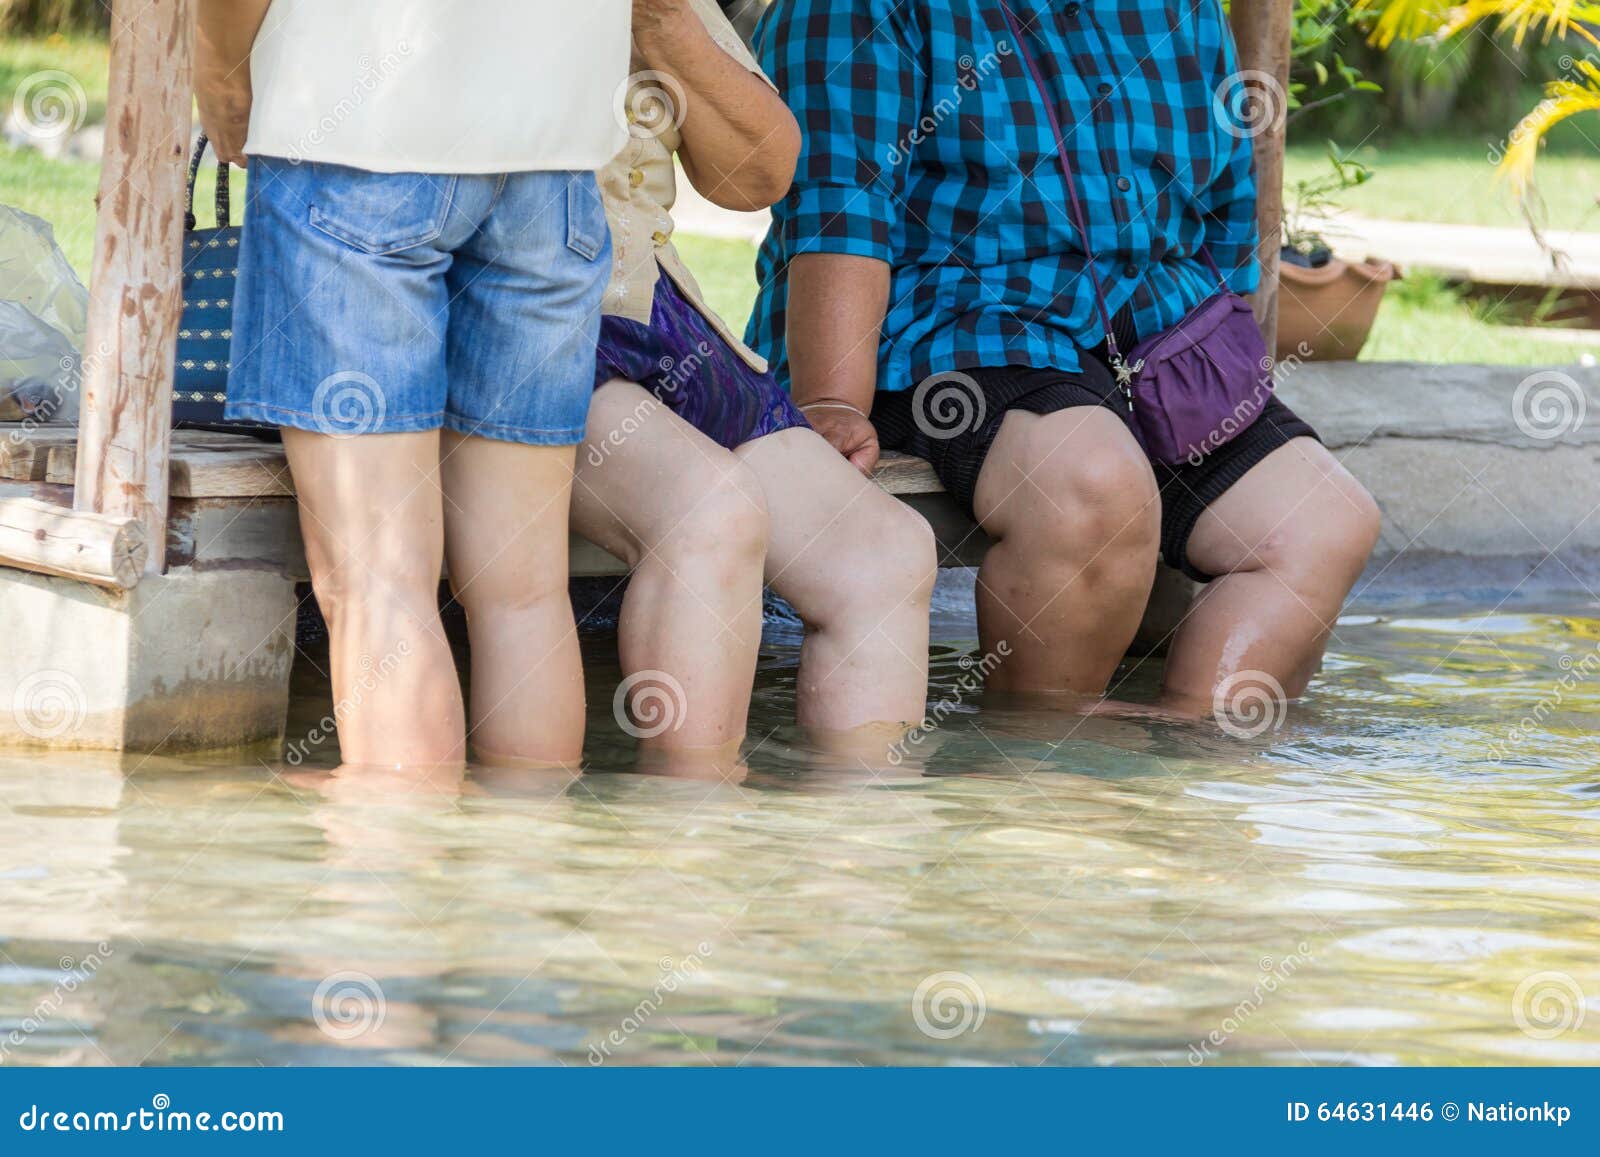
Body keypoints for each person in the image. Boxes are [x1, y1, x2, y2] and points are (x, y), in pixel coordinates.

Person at [748, 0, 1382, 719]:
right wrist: (832, 401)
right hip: (948, 325)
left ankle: (1181, 770)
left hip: (1154, 332)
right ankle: (1042, 770)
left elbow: (1227, 203)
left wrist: (1225, 366)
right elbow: (842, 211)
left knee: (1326, 521)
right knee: (1094, 490)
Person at [196, 0, 631, 767]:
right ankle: (532, 874)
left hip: (355, 137)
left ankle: (391, 866)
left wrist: (223, 76)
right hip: (551, 160)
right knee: (523, 593)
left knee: (380, 587)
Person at [569, 0, 937, 764]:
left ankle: (853, 859)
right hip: (523, 302)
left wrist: (665, 23)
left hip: (653, 305)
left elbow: (758, 174)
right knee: (709, 510)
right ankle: (689, 844)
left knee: (885, 553)